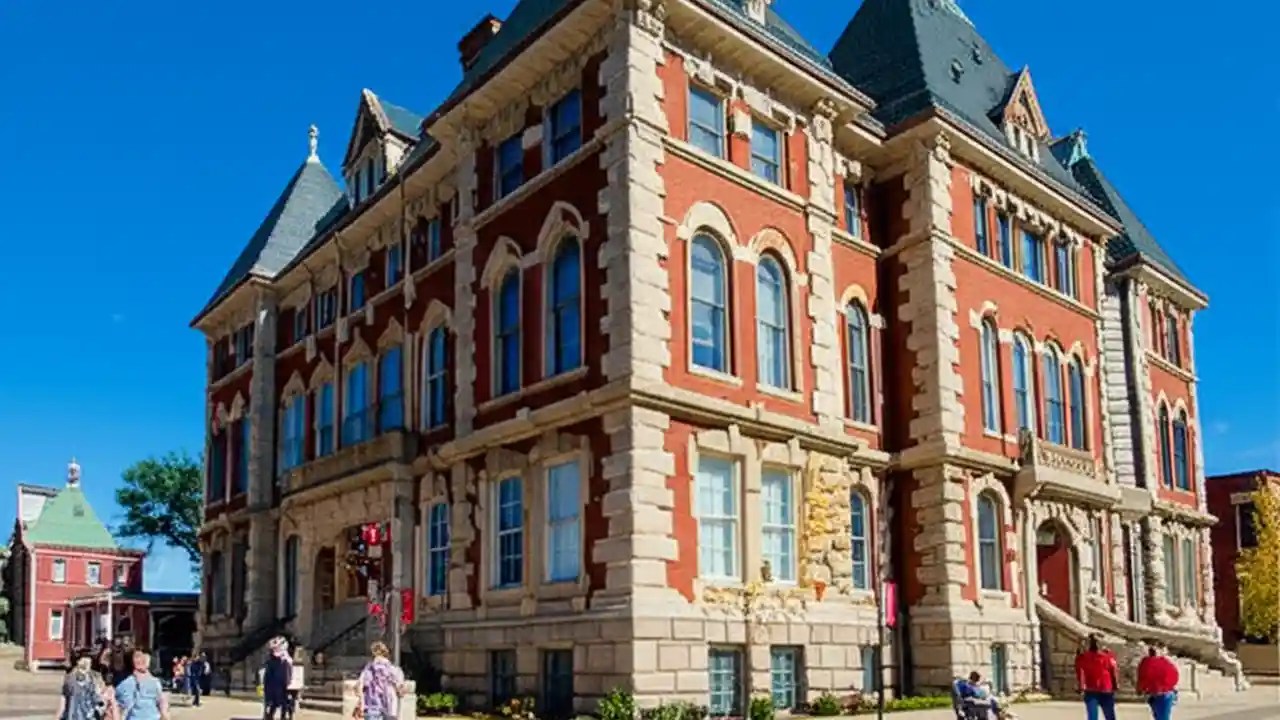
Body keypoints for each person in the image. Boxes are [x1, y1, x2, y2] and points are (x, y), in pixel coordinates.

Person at [354, 641, 406, 720]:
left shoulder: (368, 669)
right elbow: (401, 690)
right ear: (387, 654)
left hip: (371, 705)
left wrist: (360, 702)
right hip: (390, 707)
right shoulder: (394, 669)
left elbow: (359, 687)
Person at [114, 651, 169, 720]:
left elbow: (161, 702)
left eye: (143, 656)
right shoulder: (127, 682)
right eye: (137, 657)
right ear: (131, 662)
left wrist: (164, 712)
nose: (142, 659)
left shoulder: (155, 681)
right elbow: (121, 707)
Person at [1075, 635, 1119, 720]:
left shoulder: (1083, 657)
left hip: (1091, 688)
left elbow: (1080, 672)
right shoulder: (1108, 656)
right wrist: (1115, 685)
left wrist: (1081, 686)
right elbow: (1114, 671)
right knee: (1110, 716)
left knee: (1092, 716)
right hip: (1106, 688)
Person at [58, 649, 108, 720]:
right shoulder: (70, 679)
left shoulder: (96, 678)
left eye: (88, 662)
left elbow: (101, 698)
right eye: (84, 662)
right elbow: (63, 702)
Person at [1136, 644, 1180, 720]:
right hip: (1165, 693)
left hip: (1153, 693)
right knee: (1163, 717)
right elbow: (1174, 675)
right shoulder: (1165, 662)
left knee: (1158, 716)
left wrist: (1140, 689)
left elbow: (1141, 677)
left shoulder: (1145, 662)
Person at [261, 637, 293, 720]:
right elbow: (267, 676)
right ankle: (270, 715)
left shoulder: (286, 660)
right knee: (273, 703)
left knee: (283, 703)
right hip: (274, 685)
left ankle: (283, 716)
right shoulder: (272, 661)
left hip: (282, 685)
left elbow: (289, 674)